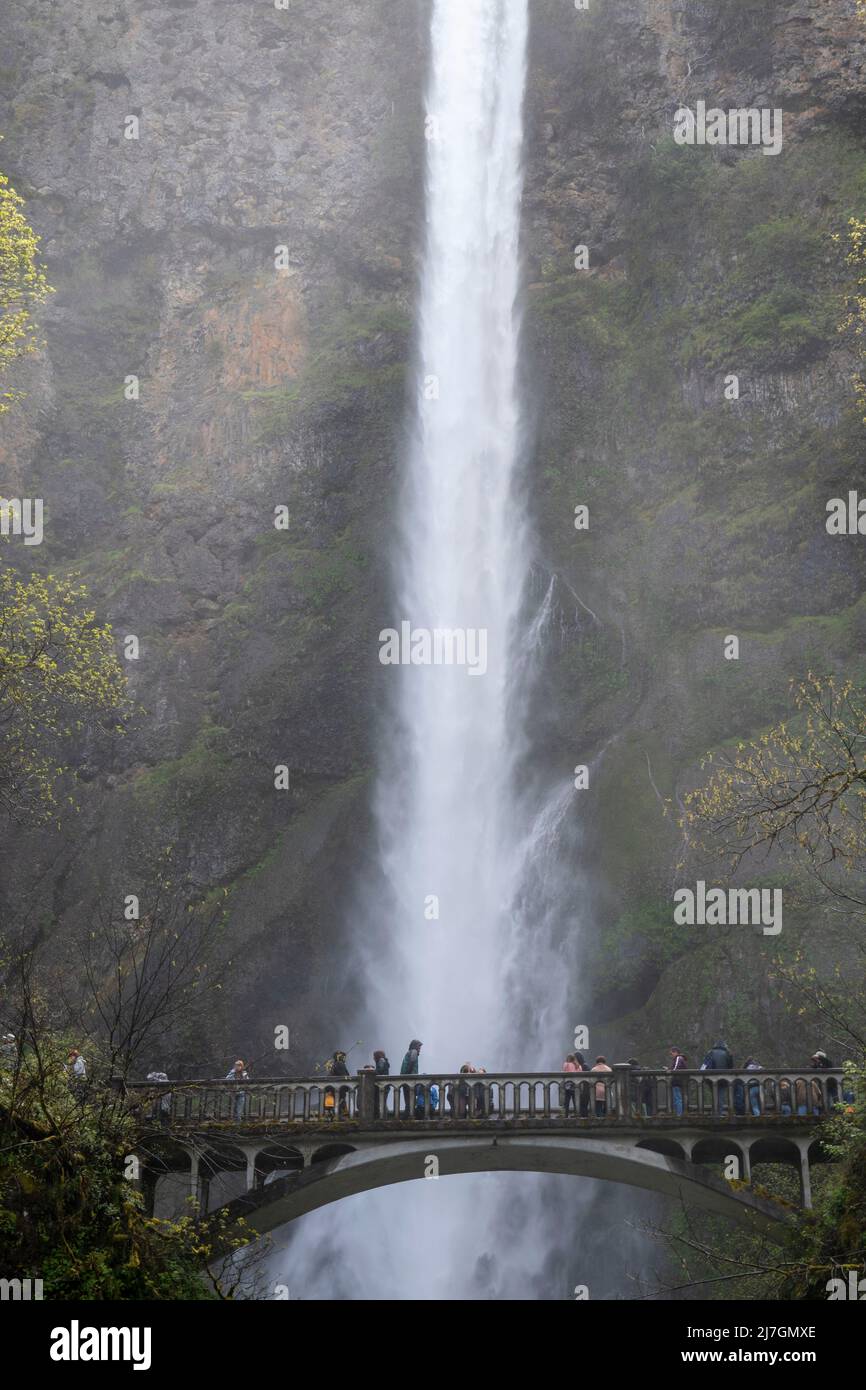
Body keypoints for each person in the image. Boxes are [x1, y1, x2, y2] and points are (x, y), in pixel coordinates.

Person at [701, 1039, 733, 1114]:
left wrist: (701, 1074)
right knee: (720, 1096)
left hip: (711, 1078)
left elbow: (704, 1065)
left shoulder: (710, 1052)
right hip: (723, 1078)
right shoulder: (727, 1053)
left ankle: (715, 1111)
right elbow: (731, 1067)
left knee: (714, 1095)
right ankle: (719, 1112)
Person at [400, 1039, 422, 1119]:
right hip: (409, 1079)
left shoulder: (409, 1052)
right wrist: (408, 1075)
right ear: (415, 1046)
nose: (420, 1049)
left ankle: (407, 1115)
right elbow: (412, 1061)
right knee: (410, 1099)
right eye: (419, 1047)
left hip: (405, 1078)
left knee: (408, 1100)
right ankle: (408, 1116)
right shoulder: (414, 1051)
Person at [668, 1047, 688, 1116]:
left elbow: (676, 1068)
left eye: (671, 1053)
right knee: (678, 1098)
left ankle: (679, 1114)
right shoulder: (680, 1058)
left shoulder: (678, 1058)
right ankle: (678, 1113)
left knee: (677, 1098)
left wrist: (669, 1071)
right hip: (680, 1080)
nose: (671, 1055)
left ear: (676, 1052)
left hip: (677, 1080)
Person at [562, 1053, 579, 1117]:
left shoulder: (566, 1064)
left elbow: (564, 1071)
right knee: (575, 1101)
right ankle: (577, 1114)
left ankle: (565, 1115)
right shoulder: (577, 1065)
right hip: (575, 1085)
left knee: (566, 1102)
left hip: (568, 1085)